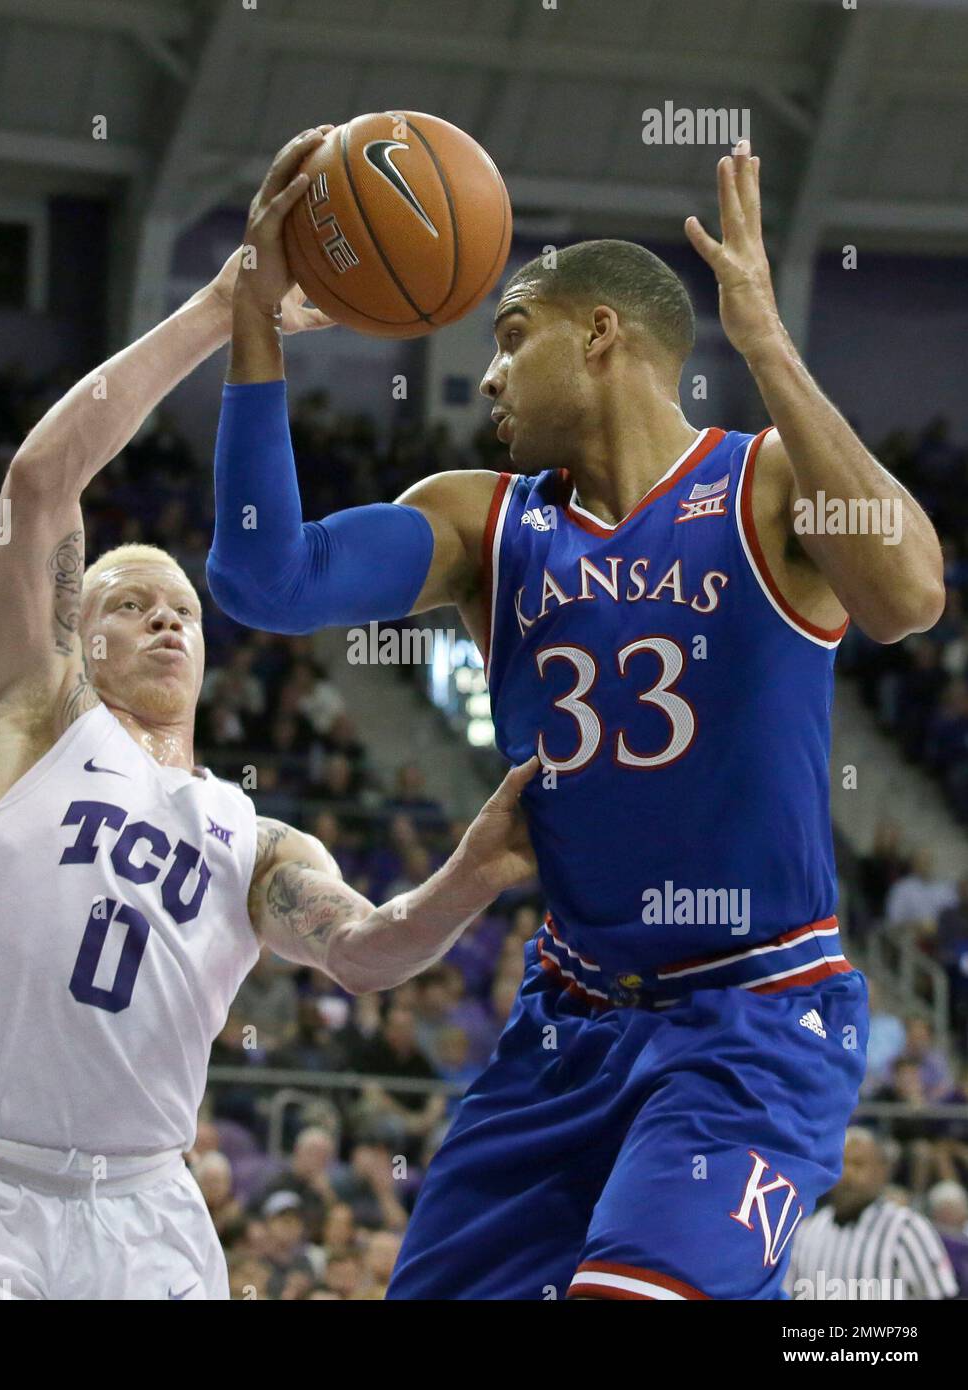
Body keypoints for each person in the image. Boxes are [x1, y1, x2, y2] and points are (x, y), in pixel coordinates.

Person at [208, 129, 945, 1299]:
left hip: (753, 1017)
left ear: (602, 335)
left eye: (512, 338)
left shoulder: (763, 483)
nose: (490, 377)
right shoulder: (481, 524)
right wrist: (254, 320)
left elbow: (908, 597)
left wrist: (763, 339)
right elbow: (265, 577)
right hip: (568, 1019)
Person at [0, 238, 539, 1302]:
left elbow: (368, 952)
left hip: (148, 1218)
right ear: (76, 641)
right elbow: (42, 482)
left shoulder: (253, 838)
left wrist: (471, 869)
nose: (165, 617)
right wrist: (228, 304)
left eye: (182, 606)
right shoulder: (35, 720)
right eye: (130, 604)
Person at [785, 1129, 957, 1300]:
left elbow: (940, 1294)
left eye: (858, 1164)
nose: (847, 1175)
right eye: (841, 1164)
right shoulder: (806, 1232)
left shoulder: (907, 1229)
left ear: (881, 1172)